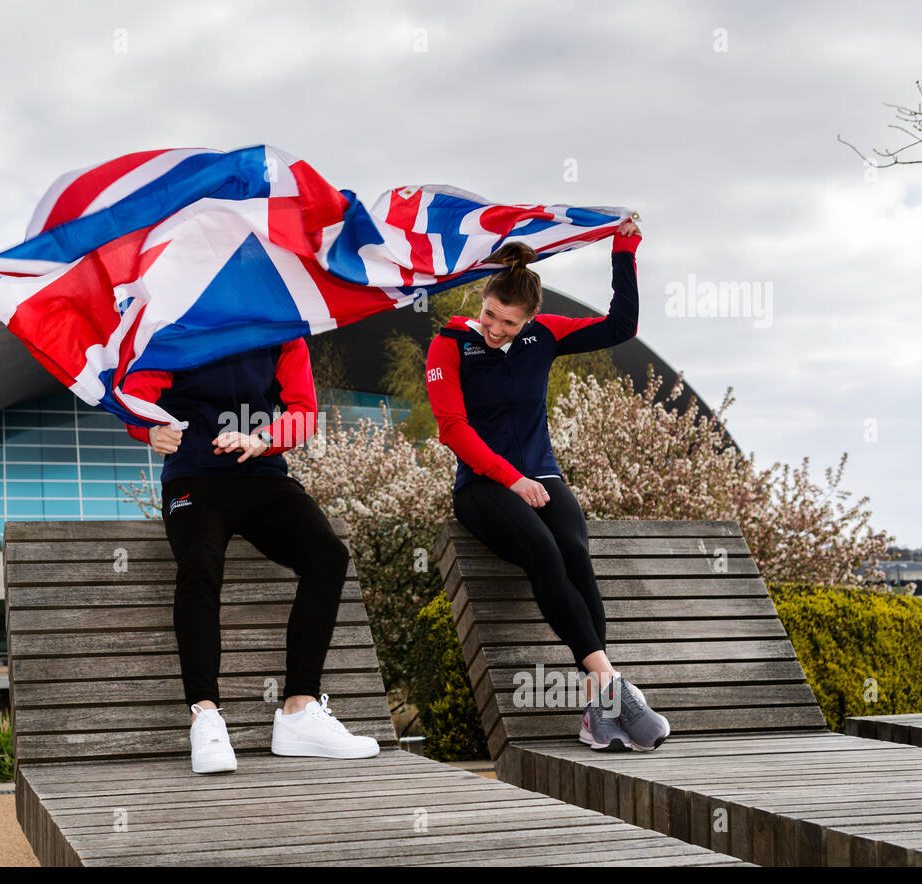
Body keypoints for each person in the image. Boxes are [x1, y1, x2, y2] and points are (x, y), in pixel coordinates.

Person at [423, 219, 671, 752]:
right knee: (541, 549)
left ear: (529, 319)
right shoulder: (449, 345)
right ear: (481, 299)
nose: (496, 329)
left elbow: (620, 326)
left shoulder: (546, 335)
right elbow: (452, 429)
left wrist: (623, 248)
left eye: (509, 324)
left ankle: (598, 711)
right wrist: (511, 479)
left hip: (543, 476)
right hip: (482, 487)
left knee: (575, 552)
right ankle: (610, 683)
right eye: (490, 315)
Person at [126, 336, 380, 773]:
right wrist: (147, 429)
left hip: (261, 473)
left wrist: (264, 439)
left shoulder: (283, 328)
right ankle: (205, 716)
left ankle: (299, 712)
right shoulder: (175, 324)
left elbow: (304, 414)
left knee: (328, 557)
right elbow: (135, 397)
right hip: (194, 478)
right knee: (200, 565)